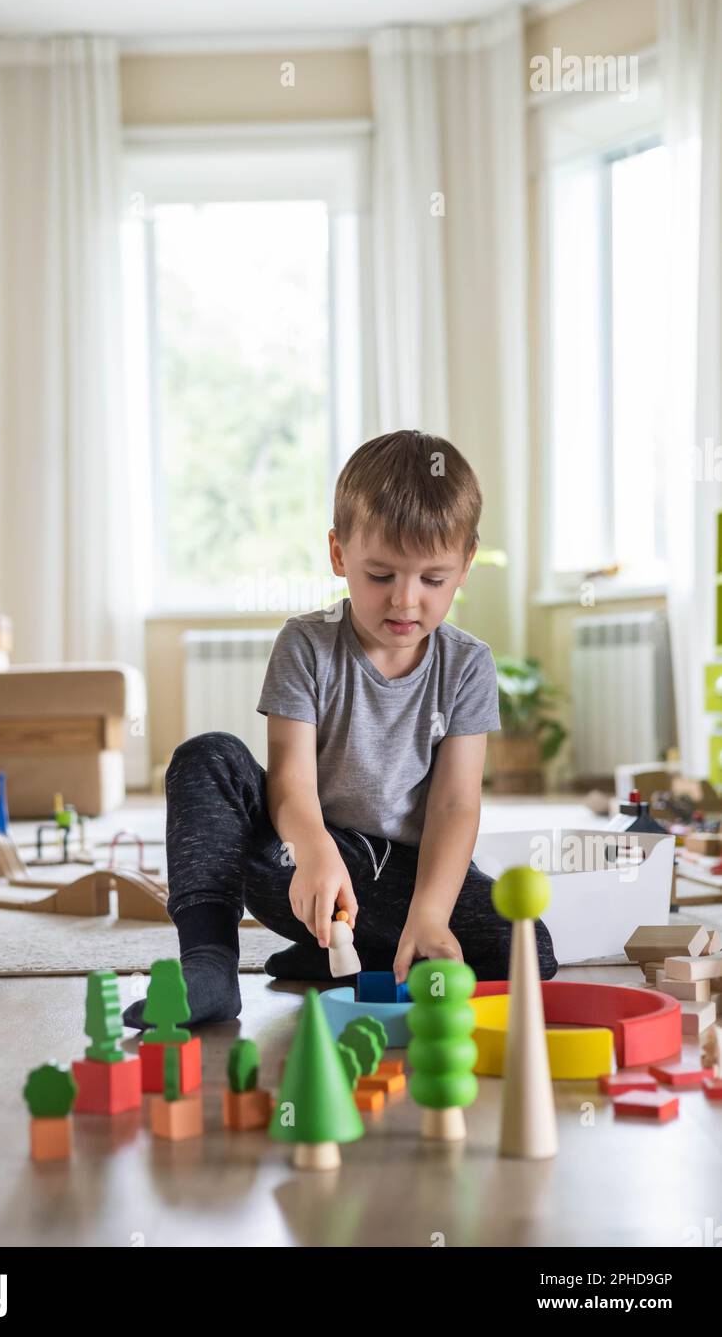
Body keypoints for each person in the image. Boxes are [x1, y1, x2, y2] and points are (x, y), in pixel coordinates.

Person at [125, 429, 557, 1029]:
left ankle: (355, 957)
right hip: (300, 863)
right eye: (380, 575)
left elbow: (457, 804)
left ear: (465, 565)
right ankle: (210, 968)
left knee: (528, 946)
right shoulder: (306, 645)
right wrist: (313, 850)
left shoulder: (468, 664)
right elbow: (291, 785)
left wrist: (430, 914)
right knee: (209, 756)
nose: (405, 601)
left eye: (433, 579)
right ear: (338, 554)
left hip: (396, 875)